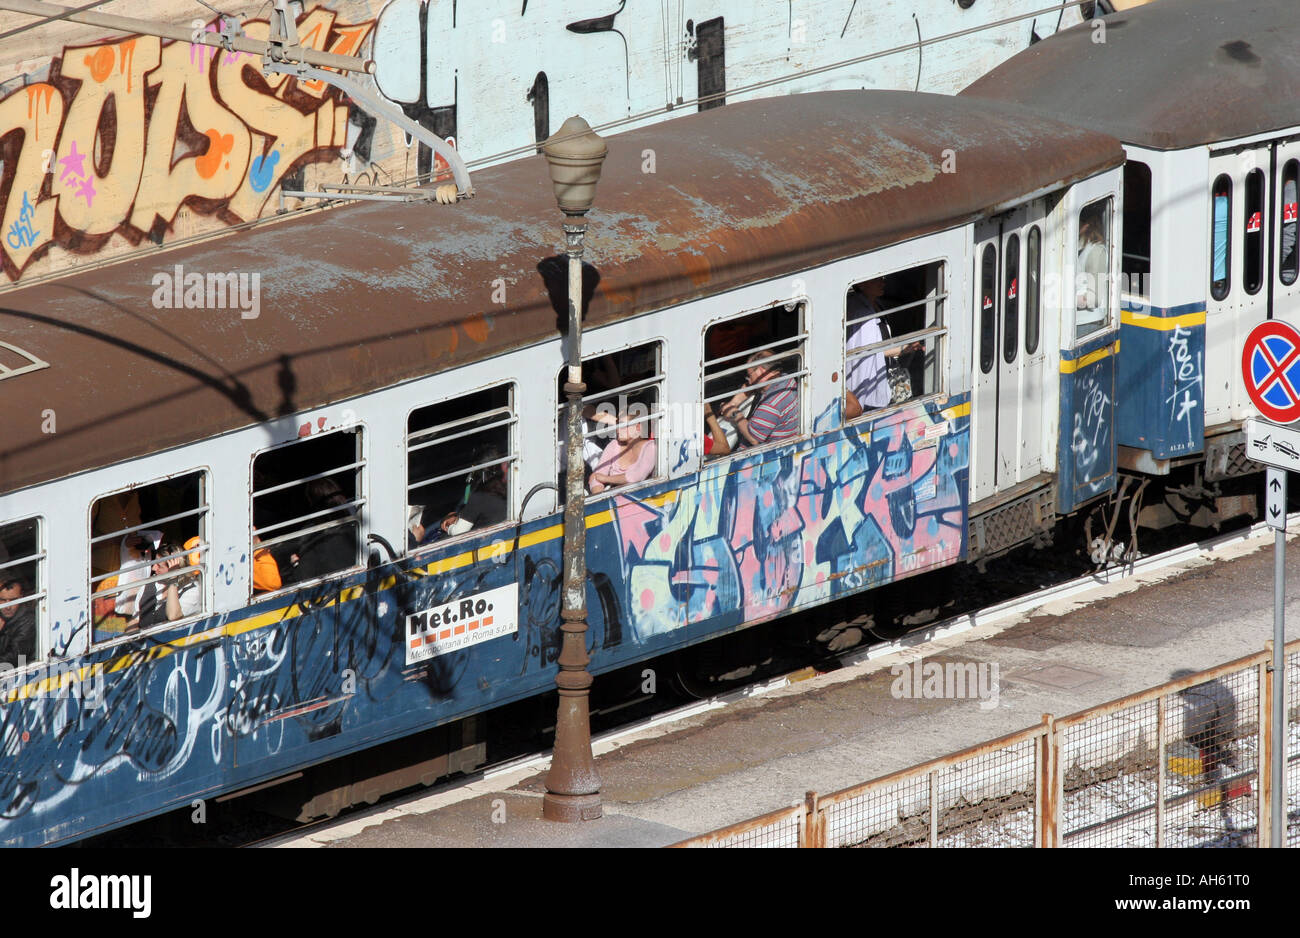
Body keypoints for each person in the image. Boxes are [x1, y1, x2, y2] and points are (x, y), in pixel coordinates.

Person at [1172, 670, 1239, 826]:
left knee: (1213, 745)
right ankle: (1214, 771)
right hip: (1213, 735)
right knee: (1211, 744)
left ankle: (1215, 773)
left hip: (1214, 737)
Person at [283, 478, 358, 585]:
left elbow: (304, 578)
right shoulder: (356, 520)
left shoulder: (312, 537)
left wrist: (295, 564)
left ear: (312, 503)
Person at [721, 350, 799, 447]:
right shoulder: (786, 379)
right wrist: (733, 403)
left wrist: (734, 414)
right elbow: (750, 387)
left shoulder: (770, 405)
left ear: (761, 371)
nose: (748, 380)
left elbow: (753, 439)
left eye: (749, 375)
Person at [435, 460, 508, 537]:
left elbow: (458, 532)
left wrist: (448, 528)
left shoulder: (479, 498)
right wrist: (458, 515)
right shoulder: (507, 495)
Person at [588, 412, 656, 493]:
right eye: (617, 425)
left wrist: (606, 479)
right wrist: (602, 502)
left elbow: (636, 477)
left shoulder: (650, 447)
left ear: (638, 427)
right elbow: (596, 477)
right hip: (612, 502)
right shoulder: (614, 445)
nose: (617, 429)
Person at [1076, 213, 1109, 336]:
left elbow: (1093, 298)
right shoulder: (1078, 247)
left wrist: (1064, 300)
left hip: (1087, 324)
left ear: (1085, 226)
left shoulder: (1096, 251)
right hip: (1075, 321)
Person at [0, 576, 36, 668]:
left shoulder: (28, 622)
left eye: (13, 600)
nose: (8, 606)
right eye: (2, 600)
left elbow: (14, 660)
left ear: (21, 597)